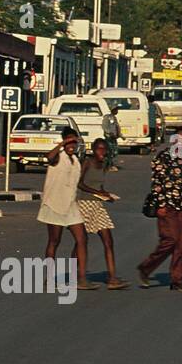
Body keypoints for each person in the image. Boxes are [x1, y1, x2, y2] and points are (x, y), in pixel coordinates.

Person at [137, 126, 182, 292]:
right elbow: (157, 183)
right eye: (177, 139)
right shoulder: (162, 158)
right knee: (170, 240)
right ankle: (146, 268)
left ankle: (177, 279)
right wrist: (160, 204)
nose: (180, 143)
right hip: (167, 206)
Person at [39, 127, 95, 290]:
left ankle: (81, 278)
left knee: (82, 239)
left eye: (74, 142)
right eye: (69, 142)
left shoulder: (76, 161)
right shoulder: (58, 157)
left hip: (70, 205)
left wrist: (100, 194)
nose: (72, 145)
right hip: (54, 205)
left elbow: (79, 184)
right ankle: (49, 278)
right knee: (54, 241)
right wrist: (62, 143)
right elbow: (49, 157)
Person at [78, 138, 128, 289]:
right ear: (93, 149)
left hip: (97, 205)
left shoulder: (104, 164)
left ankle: (112, 278)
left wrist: (107, 195)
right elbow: (80, 183)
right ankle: (79, 276)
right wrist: (97, 193)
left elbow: (99, 186)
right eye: (99, 149)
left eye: (104, 149)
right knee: (81, 242)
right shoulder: (87, 162)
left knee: (108, 241)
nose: (102, 152)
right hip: (83, 204)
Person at [101, 106, 122, 172]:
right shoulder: (107, 117)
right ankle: (108, 166)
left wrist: (120, 135)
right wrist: (109, 133)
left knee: (114, 151)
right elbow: (104, 127)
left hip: (113, 138)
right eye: (116, 110)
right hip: (109, 137)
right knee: (110, 151)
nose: (117, 111)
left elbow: (116, 127)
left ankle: (109, 164)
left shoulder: (114, 118)